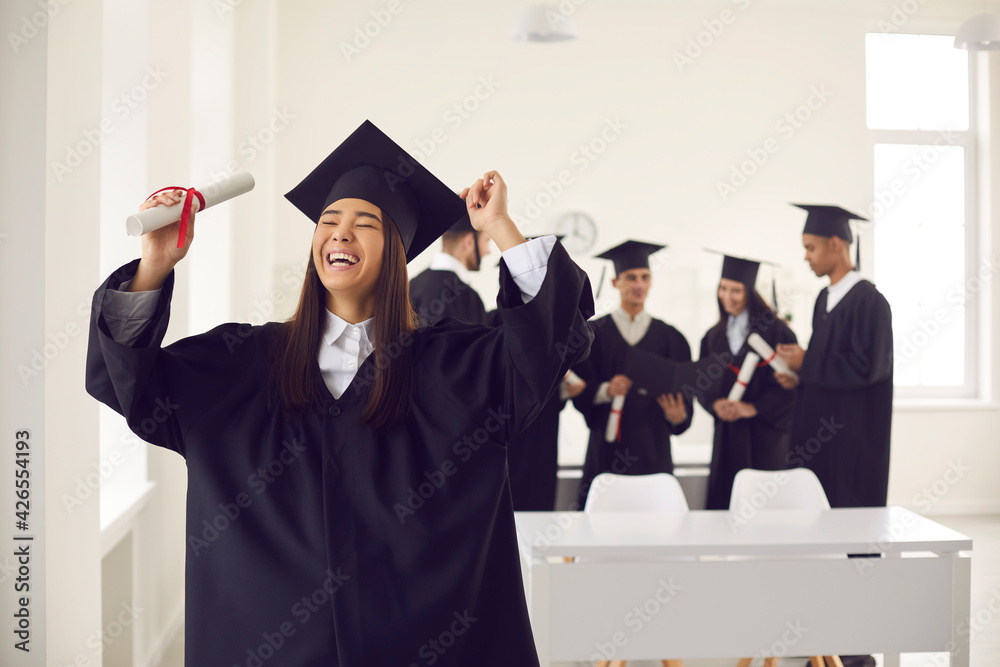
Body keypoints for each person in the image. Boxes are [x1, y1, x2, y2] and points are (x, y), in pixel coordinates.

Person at [85, 120, 595, 666]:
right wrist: (156, 263)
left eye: (365, 223)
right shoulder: (241, 365)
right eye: (328, 220)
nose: (340, 232)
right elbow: (132, 385)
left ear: (396, 250)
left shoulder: (456, 367)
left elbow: (551, 344)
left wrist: (499, 227)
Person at [776, 204, 893, 510]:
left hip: (851, 441)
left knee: (846, 518)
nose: (806, 257)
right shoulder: (824, 298)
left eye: (810, 248)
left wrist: (807, 362)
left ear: (835, 244)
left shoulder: (871, 302)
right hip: (818, 433)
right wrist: (800, 376)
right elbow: (826, 362)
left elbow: (869, 369)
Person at [571, 240, 693, 507]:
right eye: (631, 277)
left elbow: (685, 401)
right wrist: (605, 390)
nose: (639, 284)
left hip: (653, 448)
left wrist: (679, 417)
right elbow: (579, 391)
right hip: (606, 448)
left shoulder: (672, 338)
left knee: (654, 529)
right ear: (616, 283)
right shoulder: (593, 334)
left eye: (645, 277)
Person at [697, 253, 798, 510]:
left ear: (750, 292)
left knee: (764, 511)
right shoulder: (713, 336)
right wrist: (715, 405)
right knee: (727, 506)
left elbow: (792, 387)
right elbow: (701, 385)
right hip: (727, 435)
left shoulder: (778, 331)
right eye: (723, 288)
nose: (727, 297)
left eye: (736, 290)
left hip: (764, 436)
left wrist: (753, 408)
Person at [409, 214, 495, 326]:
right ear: (469, 242)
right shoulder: (463, 297)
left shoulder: (413, 284)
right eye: (487, 241)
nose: (488, 251)